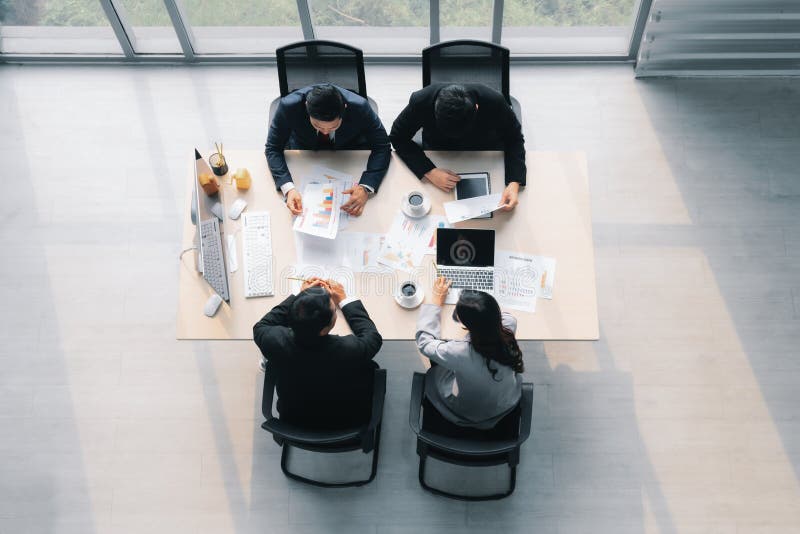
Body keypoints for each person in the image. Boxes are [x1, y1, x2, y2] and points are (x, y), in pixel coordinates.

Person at [253, 277, 383, 429]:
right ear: (324, 330)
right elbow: (373, 337)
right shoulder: (348, 350)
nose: (335, 308)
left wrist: (299, 296)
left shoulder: (272, 340)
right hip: (349, 419)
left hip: (293, 420)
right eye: (334, 310)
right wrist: (343, 299)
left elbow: (263, 325)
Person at [390, 83, 526, 211]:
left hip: (481, 151)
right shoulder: (421, 101)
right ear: (434, 108)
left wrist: (514, 182)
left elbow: (514, 138)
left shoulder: (494, 102)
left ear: (477, 108)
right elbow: (398, 137)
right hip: (439, 151)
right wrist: (429, 171)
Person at [265, 83, 391, 217]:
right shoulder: (288, 106)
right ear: (306, 106)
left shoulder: (360, 107)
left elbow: (382, 146)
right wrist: (288, 189)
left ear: (345, 109)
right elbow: (273, 148)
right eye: (317, 125)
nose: (325, 131)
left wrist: (365, 187)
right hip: (306, 152)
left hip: (348, 152)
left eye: (333, 127)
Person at [415, 277, 523, 431]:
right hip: (504, 403)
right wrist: (481, 310)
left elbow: (424, 343)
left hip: (470, 412)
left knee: (433, 376)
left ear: (466, 324)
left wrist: (435, 303)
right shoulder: (509, 327)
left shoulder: (460, 352)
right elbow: (502, 317)